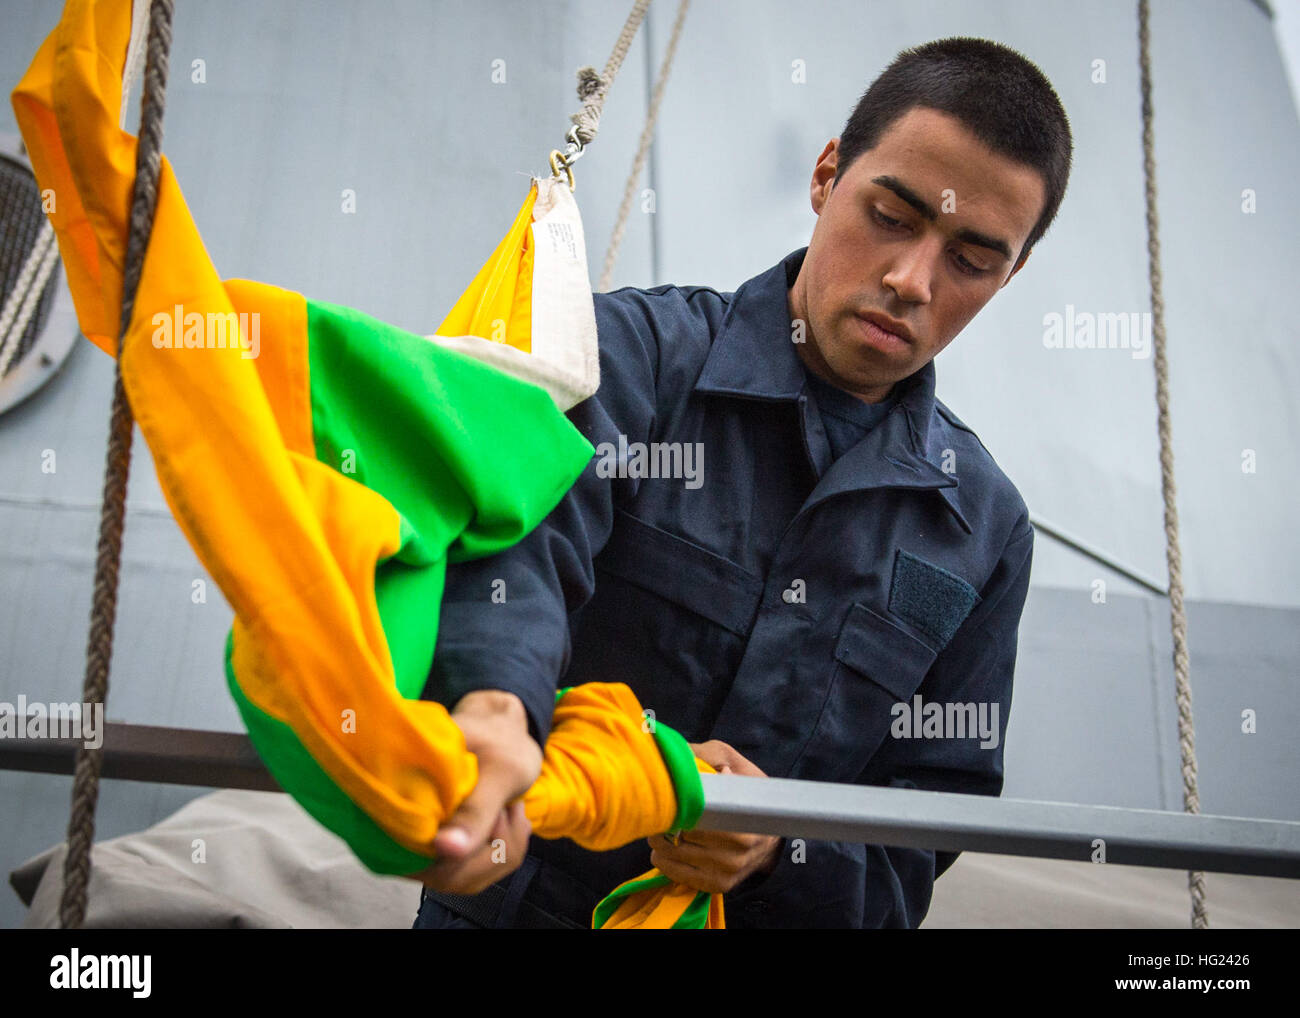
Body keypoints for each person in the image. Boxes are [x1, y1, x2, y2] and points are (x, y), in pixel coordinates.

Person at [413, 35, 1071, 928]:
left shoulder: (985, 533)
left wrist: (777, 849)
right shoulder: (622, 364)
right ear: (826, 175)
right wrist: (494, 708)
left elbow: (921, 833)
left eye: (972, 260)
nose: (910, 280)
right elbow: (515, 560)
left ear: (1013, 271)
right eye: (891, 215)